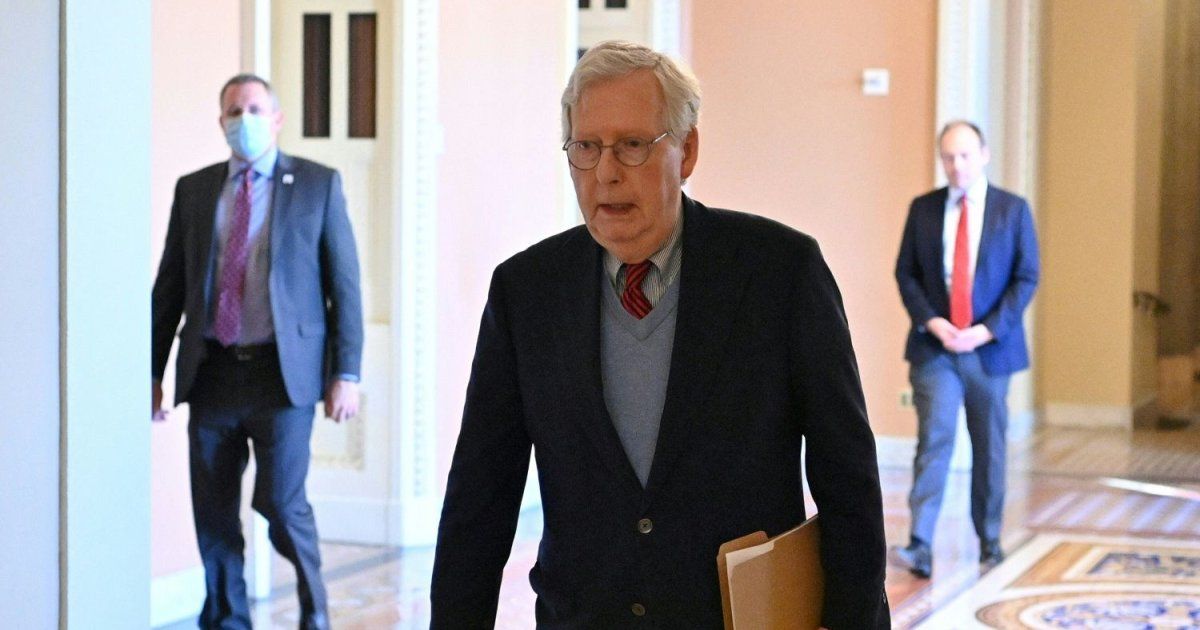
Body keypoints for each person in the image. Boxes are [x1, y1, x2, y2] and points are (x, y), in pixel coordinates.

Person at [430, 41, 889, 629]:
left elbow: (846, 474)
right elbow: (480, 494)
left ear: (687, 149)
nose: (607, 173)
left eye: (632, 145)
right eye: (586, 147)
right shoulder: (527, 291)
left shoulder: (780, 272)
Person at [151, 73, 363, 630]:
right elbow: (169, 286)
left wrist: (347, 371)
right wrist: (151, 371)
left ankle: (315, 611)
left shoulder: (317, 184)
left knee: (281, 503)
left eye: (253, 109)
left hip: (283, 376)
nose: (242, 119)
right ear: (220, 121)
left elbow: (345, 286)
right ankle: (226, 618)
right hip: (213, 372)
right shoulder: (195, 190)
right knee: (215, 514)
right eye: (232, 111)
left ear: (276, 119)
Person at [892, 120, 1039, 578]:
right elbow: (906, 273)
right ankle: (920, 542)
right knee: (934, 440)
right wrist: (932, 322)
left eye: (965, 156)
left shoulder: (1012, 211)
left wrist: (987, 330)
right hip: (936, 350)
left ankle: (989, 539)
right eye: (948, 157)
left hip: (990, 352)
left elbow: (1026, 276)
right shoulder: (924, 209)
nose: (956, 166)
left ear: (984, 155)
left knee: (989, 447)